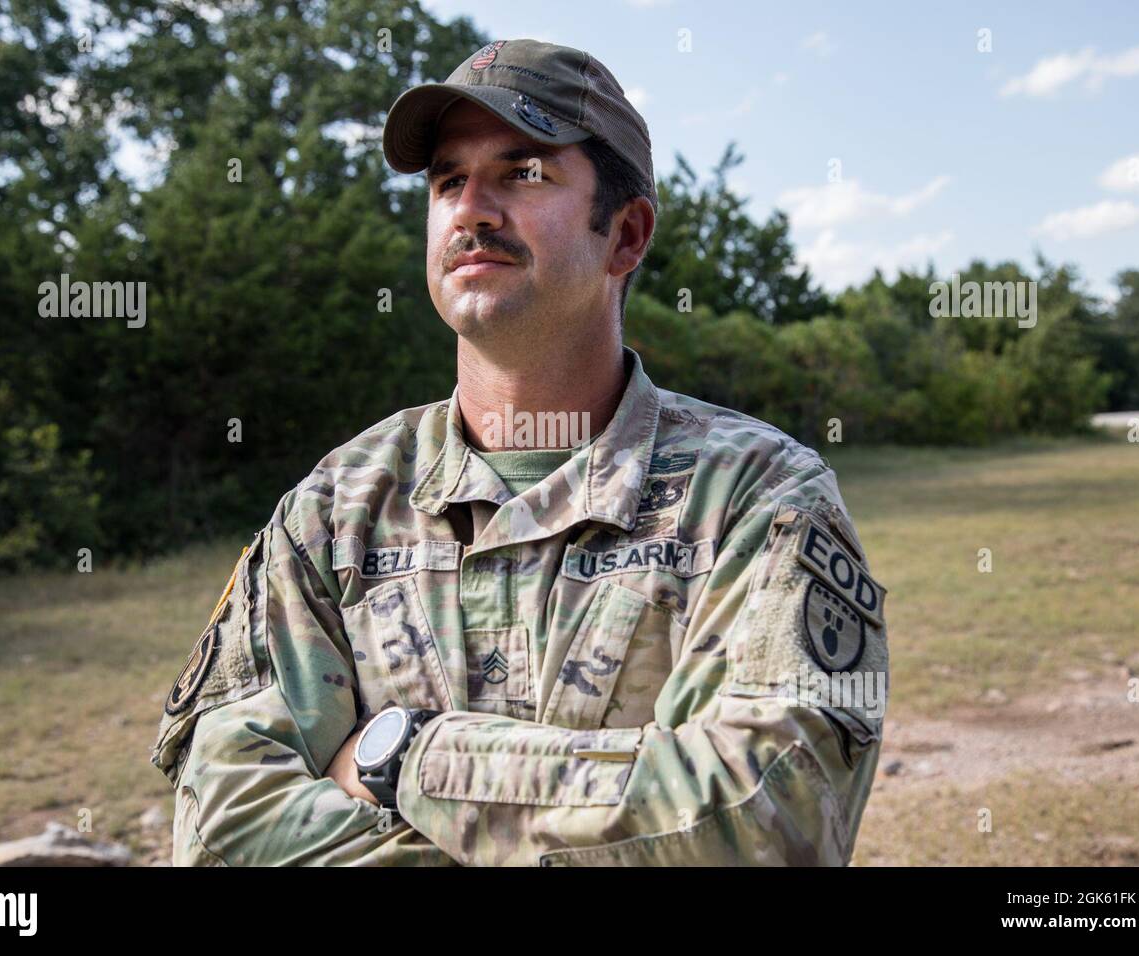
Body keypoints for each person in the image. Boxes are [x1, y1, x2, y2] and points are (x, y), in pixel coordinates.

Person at [151, 38, 888, 866]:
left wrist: (405, 756)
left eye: (522, 172)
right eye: (447, 181)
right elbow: (221, 821)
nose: (471, 208)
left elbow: (763, 819)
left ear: (627, 235)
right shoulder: (334, 508)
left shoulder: (759, 497)